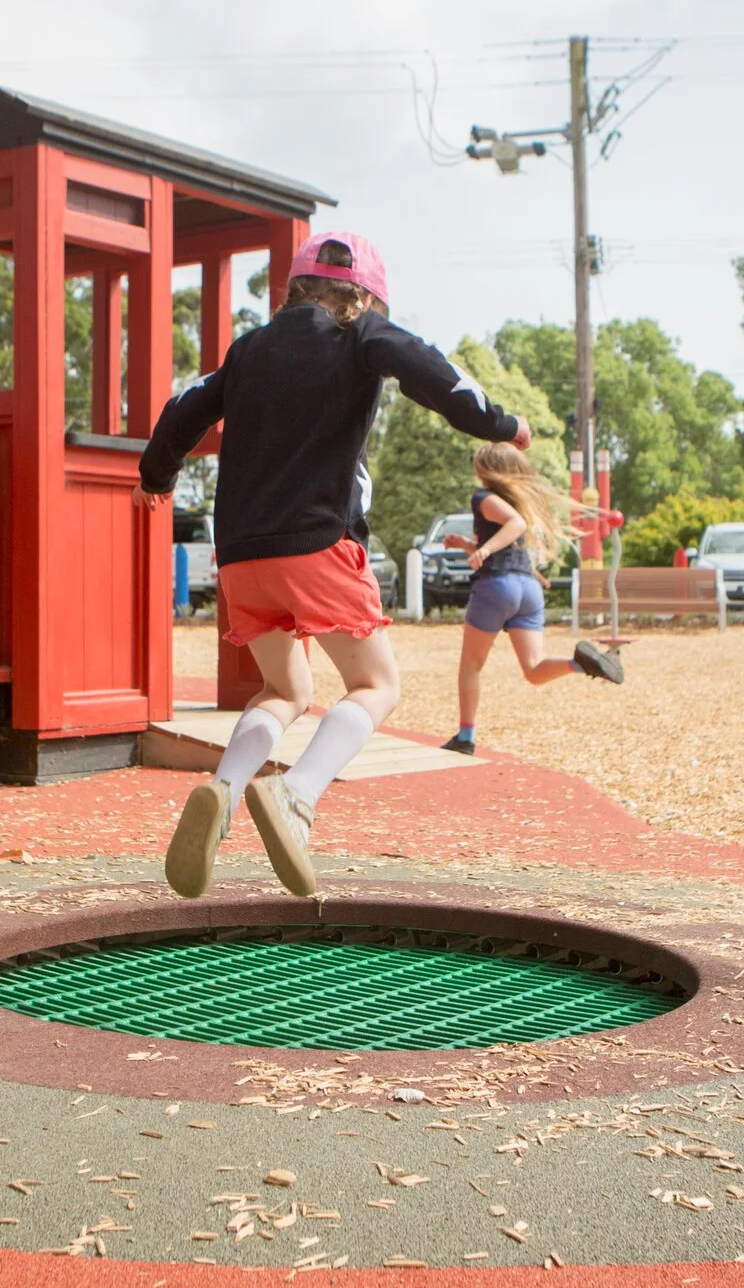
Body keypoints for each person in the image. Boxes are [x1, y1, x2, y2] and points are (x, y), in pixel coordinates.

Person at [134, 233, 525, 899]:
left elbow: (184, 407)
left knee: (284, 690)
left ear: (294, 290)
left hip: (241, 557)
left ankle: (225, 791)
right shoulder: (361, 336)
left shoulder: (247, 350)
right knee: (377, 685)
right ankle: (297, 796)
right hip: (316, 542)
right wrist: (497, 421)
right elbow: (425, 365)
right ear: (362, 296)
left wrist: (156, 474)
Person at [439, 442, 623, 755]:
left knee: (470, 666)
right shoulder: (521, 503)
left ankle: (466, 738)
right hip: (527, 589)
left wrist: (483, 549)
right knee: (534, 670)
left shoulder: (484, 498)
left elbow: (515, 526)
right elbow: (511, 544)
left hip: (498, 587)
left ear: (487, 470)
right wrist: (470, 547)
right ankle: (580, 665)